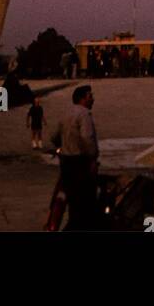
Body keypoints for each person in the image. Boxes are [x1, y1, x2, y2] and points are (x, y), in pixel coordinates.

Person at [52, 85, 99, 231]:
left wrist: (62, 145)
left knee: (73, 203)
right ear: (82, 99)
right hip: (80, 164)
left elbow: (54, 136)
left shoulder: (66, 113)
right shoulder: (84, 114)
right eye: (90, 96)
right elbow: (87, 138)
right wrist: (92, 159)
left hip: (66, 164)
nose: (93, 99)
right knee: (85, 204)